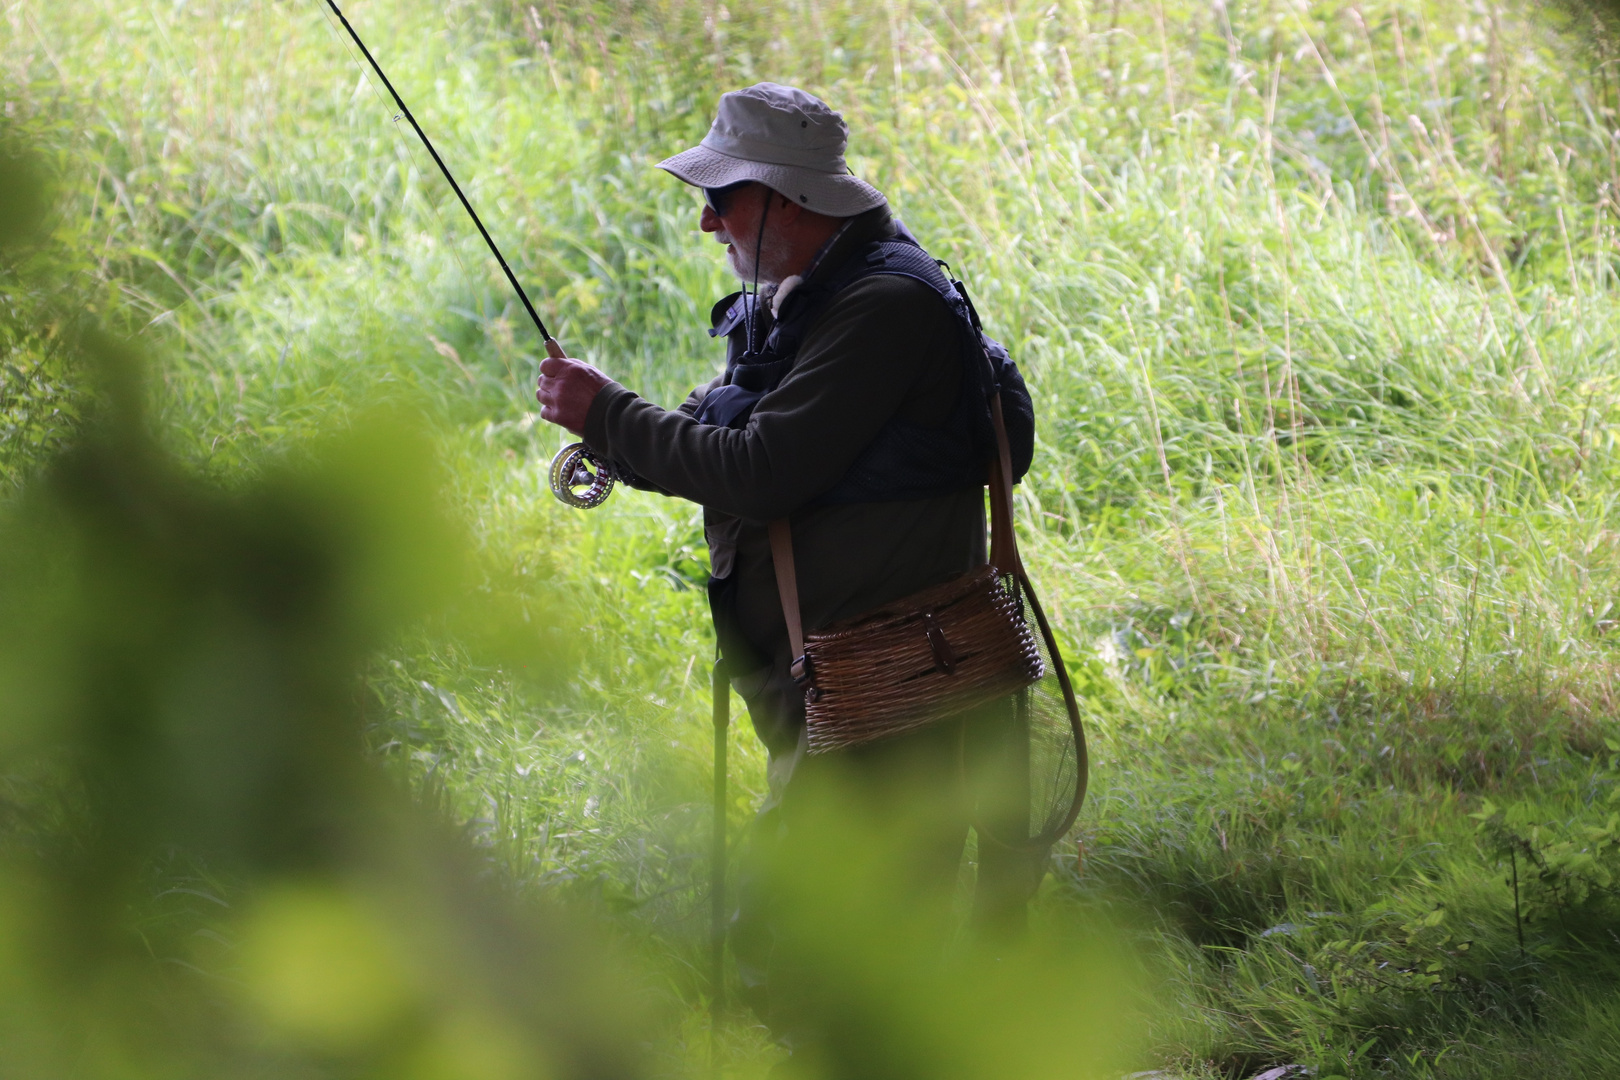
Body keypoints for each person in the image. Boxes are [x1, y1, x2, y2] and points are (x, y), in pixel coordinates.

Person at [534, 82, 1038, 1055]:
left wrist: (607, 415)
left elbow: (764, 472)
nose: (707, 218)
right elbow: (739, 434)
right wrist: (624, 439)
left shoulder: (885, 305)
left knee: (808, 960)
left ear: (791, 201)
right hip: (840, 698)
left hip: (895, 699)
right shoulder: (810, 297)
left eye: (725, 198)